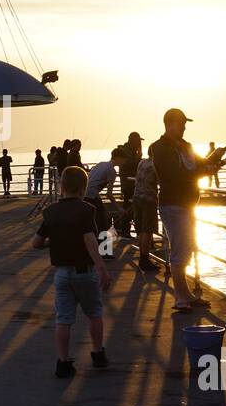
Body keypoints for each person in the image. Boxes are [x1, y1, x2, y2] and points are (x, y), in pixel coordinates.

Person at [32, 165, 112, 378]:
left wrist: (54, 242)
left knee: (63, 318)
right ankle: (97, 353)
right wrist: (101, 267)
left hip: (61, 274)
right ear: (83, 189)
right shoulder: (86, 210)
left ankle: (63, 362)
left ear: (61, 186)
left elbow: (36, 243)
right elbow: (89, 239)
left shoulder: (50, 212)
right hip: (84, 272)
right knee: (94, 313)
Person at [150, 108, 225, 312]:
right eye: (181, 123)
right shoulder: (159, 148)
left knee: (188, 247)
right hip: (172, 204)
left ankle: (187, 295)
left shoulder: (187, 146)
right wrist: (204, 171)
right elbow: (172, 175)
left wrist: (214, 159)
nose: (184, 127)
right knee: (180, 251)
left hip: (189, 204)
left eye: (184, 123)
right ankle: (180, 299)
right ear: (169, 123)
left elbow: (201, 164)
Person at [84, 147, 125, 257]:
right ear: (118, 158)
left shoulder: (101, 164)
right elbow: (109, 194)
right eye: (123, 159)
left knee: (95, 221)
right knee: (104, 221)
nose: (124, 162)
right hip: (92, 196)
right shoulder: (112, 171)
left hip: (84, 194)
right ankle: (104, 252)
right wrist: (118, 208)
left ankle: (94, 248)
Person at [132, 144, 160, 272]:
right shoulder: (156, 165)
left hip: (137, 198)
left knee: (141, 230)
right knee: (147, 231)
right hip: (149, 199)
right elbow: (160, 180)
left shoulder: (142, 162)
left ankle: (143, 258)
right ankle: (144, 259)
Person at [114, 131, 143, 237]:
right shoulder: (125, 151)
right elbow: (128, 164)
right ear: (133, 141)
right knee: (129, 207)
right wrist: (138, 157)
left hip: (132, 183)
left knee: (131, 207)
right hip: (128, 184)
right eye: (138, 141)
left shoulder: (131, 151)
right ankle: (125, 230)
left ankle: (127, 230)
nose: (139, 144)